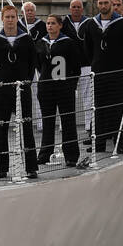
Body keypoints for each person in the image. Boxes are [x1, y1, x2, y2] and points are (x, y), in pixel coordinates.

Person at [0, 5, 37, 179]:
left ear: (17, 18)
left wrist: (27, 81)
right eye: (6, 17)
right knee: (1, 127)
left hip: (22, 88)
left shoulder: (26, 39)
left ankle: (31, 167)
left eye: (12, 17)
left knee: (26, 127)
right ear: (2, 19)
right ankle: (1, 168)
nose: (10, 20)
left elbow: (32, 63)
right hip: (2, 91)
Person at [89, 0, 123, 155]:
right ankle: (99, 143)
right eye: (100, 3)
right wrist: (95, 63)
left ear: (111, 4)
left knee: (119, 109)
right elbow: (88, 48)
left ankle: (122, 143)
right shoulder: (92, 24)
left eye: (106, 3)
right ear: (97, 4)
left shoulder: (122, 23)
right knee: (99, 109)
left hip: (118, 73)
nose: (103, 6)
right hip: (99, 73)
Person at [36, 14, 83, 168]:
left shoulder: (68, 43)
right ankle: (44, 154)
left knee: (68, 121)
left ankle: (71, 155)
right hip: (46, 88)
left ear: (60, 25)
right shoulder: (41, 43)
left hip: (64, 88)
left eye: (53, 23)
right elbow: (38, 64)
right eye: (48, 23)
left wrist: (71, 85)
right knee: (47, 122)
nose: (49, 26)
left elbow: (75, 66)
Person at [64, 0, 95, 137]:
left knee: (88, 97)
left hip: (86, 65)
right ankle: (65, 127)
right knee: (66, 97)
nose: (76, 9)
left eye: (78, 7)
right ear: (70, 9)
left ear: (82, 9)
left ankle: (89, 125)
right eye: (73, 7)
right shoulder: (64, 23)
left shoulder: (89, 23)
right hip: (68, 67)